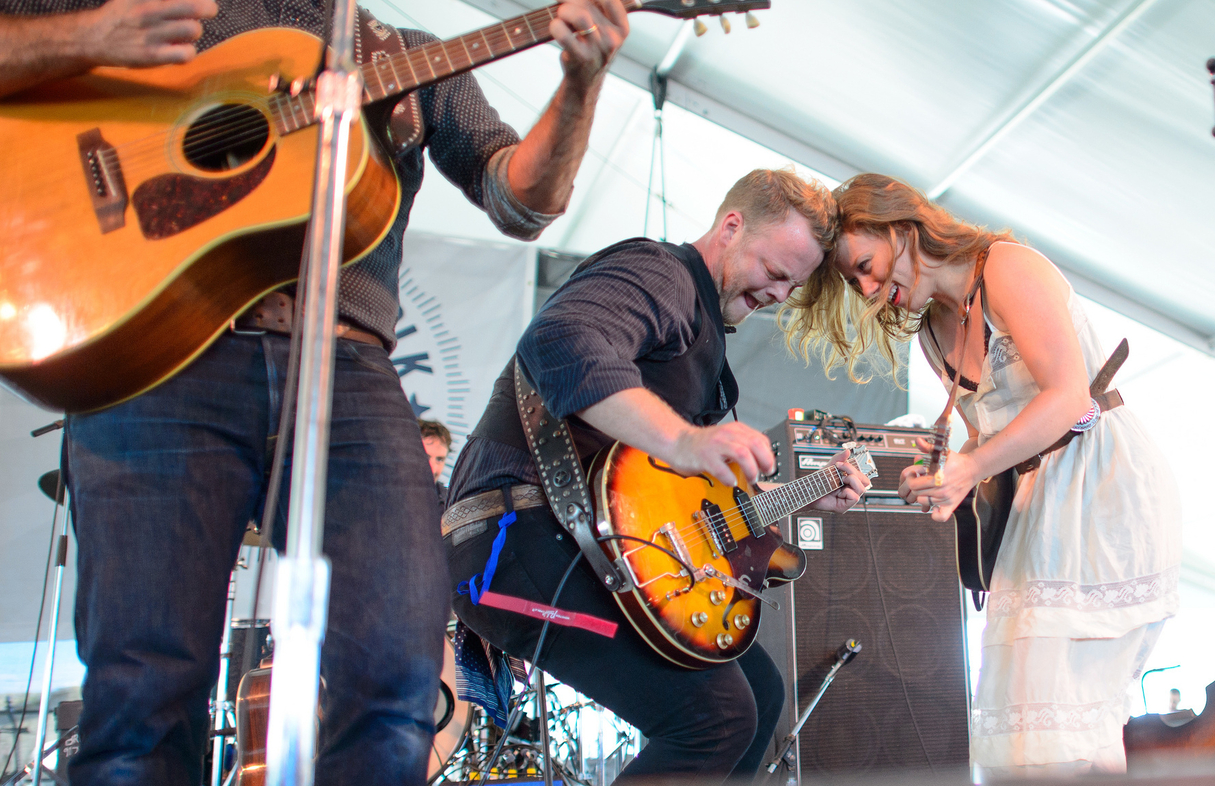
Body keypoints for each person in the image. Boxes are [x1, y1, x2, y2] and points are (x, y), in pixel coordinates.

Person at [0, 0, 631, 782]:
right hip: (164, 356)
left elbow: (521, 201)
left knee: (400, 679)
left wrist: (581, 83)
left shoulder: (400, 55)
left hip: (347, 367)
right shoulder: (153, 8)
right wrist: (89, 35)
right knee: (141, 697)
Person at [443, 168, 872, 782]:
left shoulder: (704, 335)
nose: (779, 294)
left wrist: (803, 493)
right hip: (513, 537)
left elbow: (679, 495)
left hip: (588, 541)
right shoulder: (660, 273)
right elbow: (561, 339)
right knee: (714, 718)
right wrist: (686, 438)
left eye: (794, 285)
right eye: (775, 271)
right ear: (731, 226)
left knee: (761, 692)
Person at [781, 173, 1180, 776]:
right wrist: (948, 481)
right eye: (854, 281)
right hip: (1038, 511)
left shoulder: (1006, 269)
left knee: (1066, 722)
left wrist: (971, 467)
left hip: (1102, 493)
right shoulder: (931, 335)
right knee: (1025, 728)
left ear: (901, 228)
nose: (865, 288)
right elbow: (989, 437)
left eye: (865, 265)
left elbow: (1069, 397)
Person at [420, 418, 452, 507]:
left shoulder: (450, 505)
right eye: (425, 457)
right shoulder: (383, 495)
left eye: (439, 459)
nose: (432, 469)